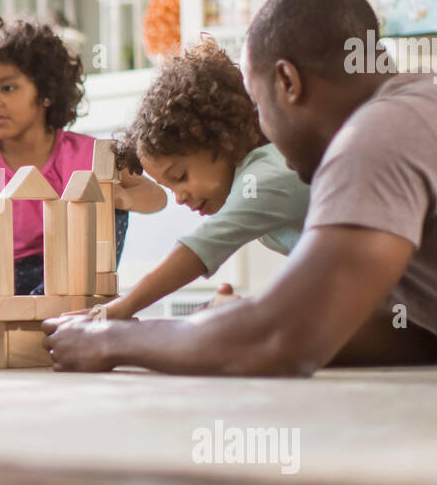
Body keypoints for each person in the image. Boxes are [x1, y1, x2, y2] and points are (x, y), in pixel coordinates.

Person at [43, 0, 437, 373]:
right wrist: (236, 320)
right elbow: (406, 335)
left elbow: (281, 340)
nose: (261, 129)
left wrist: (112, 338)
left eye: (258, 104)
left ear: (287, 81)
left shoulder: (374, 138)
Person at [85, 38, 308, 320]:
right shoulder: (262, 170)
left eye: (180, 176)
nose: (179, 197)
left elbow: (202, 245)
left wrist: (117, 308)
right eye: (169, 187)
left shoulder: (267, 178)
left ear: (221, 138)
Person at [0, 15, 166, 295]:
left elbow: (157, 198)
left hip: (72, 273)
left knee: (109, 203)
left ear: (45, 94)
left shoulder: (87, 154)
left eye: (7, 87)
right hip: (3, 278)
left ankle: (54, 302)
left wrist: (121, 197)